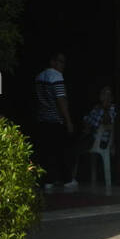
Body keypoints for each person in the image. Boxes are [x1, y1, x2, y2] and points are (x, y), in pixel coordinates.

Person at [34, 51, 77, 192]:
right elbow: (61, 100)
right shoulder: (56, 76)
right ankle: (66, 179)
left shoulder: (39, 77)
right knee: (60, 150)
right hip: (55, 119)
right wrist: (68, 120)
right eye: (59, 61)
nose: (62, 65)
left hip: (42, 119)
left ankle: (47, 180)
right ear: (52, 62)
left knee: (46, 151)